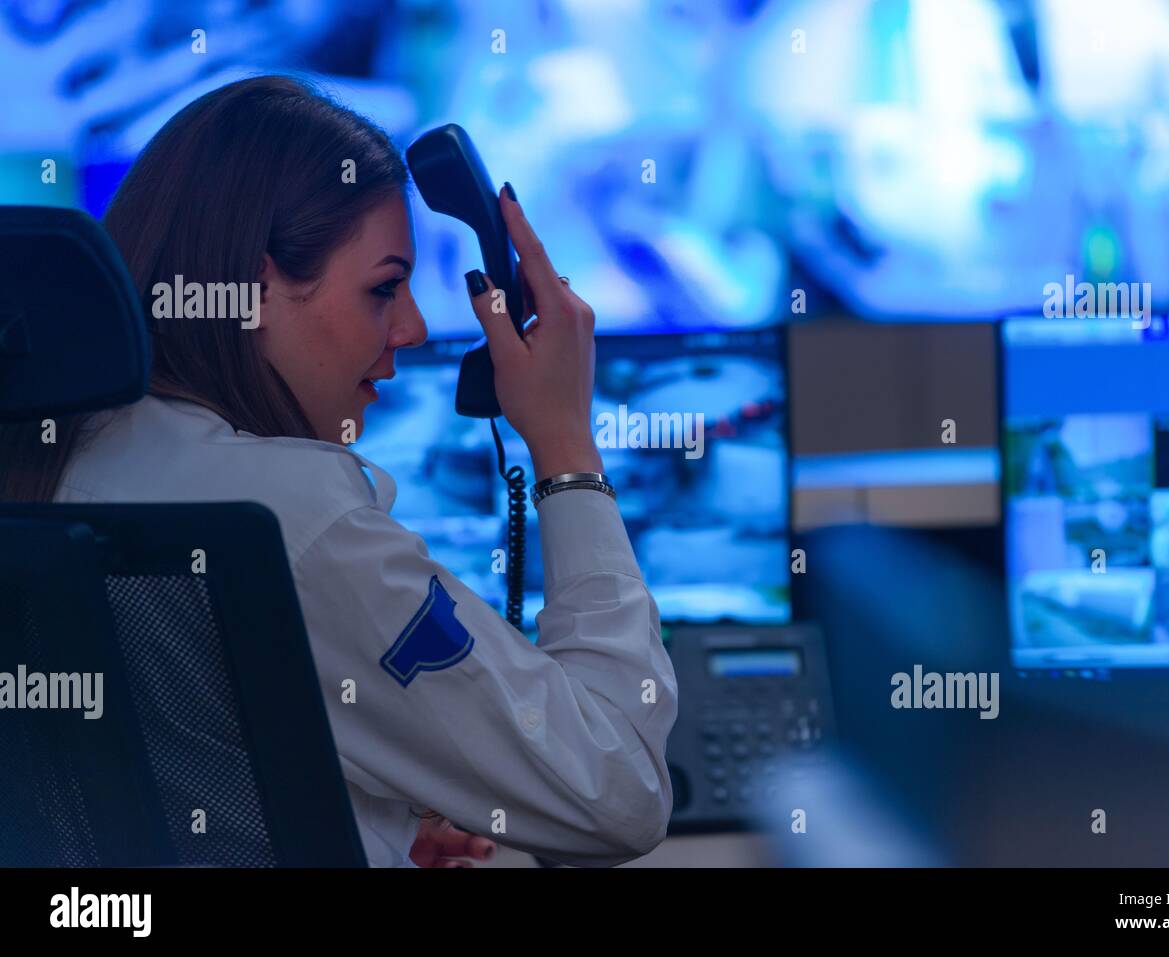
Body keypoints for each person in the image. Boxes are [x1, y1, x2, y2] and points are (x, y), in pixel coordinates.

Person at [0, 75, 677, 867]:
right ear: (249, 291)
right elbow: (618, 788)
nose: (416, 327)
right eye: (384, 288)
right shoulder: (296, 523)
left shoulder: (50, 463)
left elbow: (158, 781)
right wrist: (564, 444)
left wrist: (359, 825)